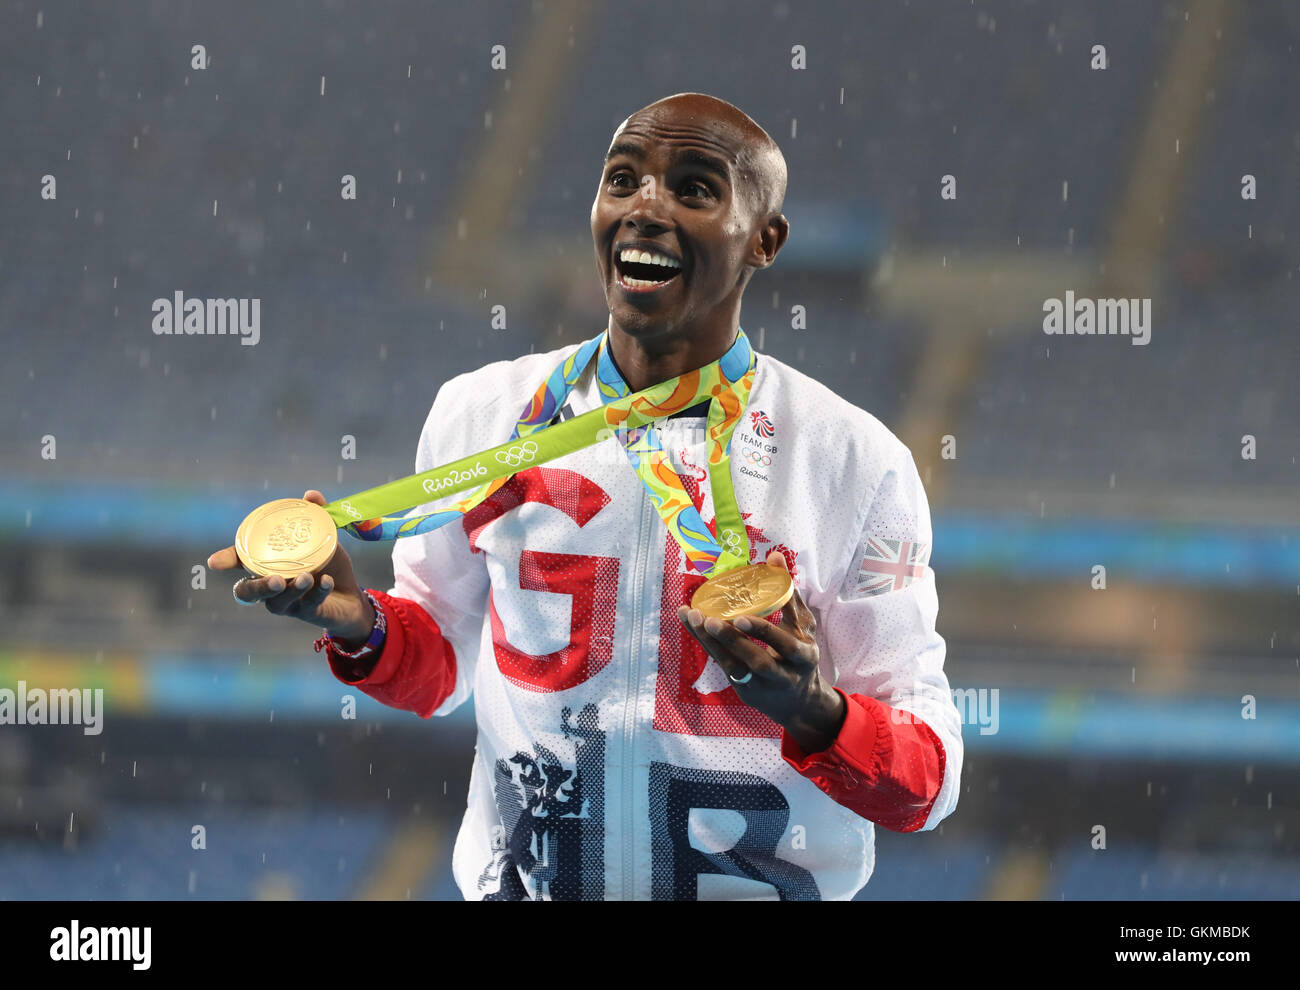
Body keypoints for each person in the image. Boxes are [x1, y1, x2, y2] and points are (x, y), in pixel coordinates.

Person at [208, 93, 964, 901]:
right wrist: (363, 626)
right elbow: (438, 670)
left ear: (765, 240)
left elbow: (927, 784)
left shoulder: (853, 460)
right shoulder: (481, 415)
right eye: (623, 179)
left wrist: (813, 711)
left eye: (695, 189)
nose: (645, 207)